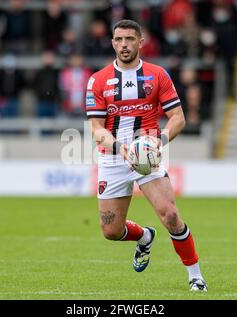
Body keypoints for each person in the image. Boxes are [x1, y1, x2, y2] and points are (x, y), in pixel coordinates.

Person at [86, 19, 207, 292]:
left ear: (141, 42)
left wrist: (158, 141)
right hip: (113, 156)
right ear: (112, 42)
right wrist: (121, 148)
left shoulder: (157, 75)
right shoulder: (98, 80)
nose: (124, 45)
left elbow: (178, 117)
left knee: (171, 215)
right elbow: (97, 129)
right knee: (111, 231)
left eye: (130, 39)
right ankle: (144, 236)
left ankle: (195, 276)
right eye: (119, 40)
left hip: (147, 156)